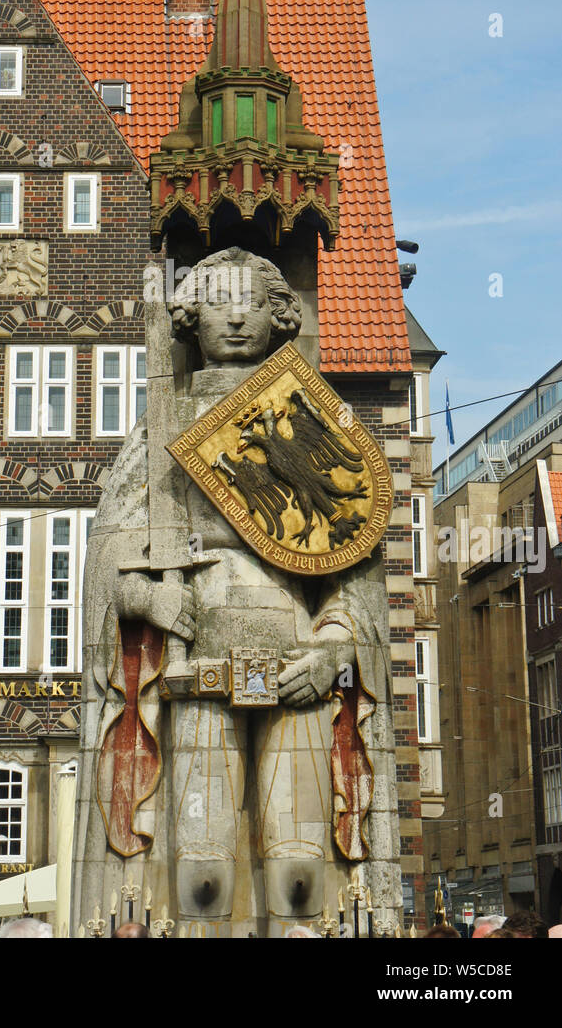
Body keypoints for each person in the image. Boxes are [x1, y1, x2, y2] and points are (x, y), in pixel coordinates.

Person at [73, 248, 402, 937]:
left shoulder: (314, 420)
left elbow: (354, 571)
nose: (234, 314)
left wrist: (334, 648)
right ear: (190, 316)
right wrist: (146, 599)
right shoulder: (162, 426)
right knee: (199, 865)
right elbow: (109, 550)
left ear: (280, 314)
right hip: (196, 668)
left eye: (249, 299)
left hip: (297, 663)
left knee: (298, 865)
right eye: (216, 299)